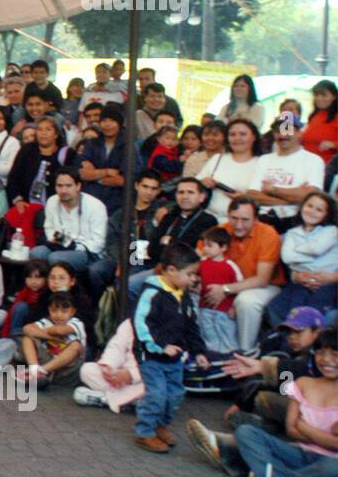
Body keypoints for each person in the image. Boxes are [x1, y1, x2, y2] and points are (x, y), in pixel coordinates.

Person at [230, 328, 338, 477]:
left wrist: (305, 427)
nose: (326, 360)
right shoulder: (303, 383)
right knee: (245, 432)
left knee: (333, 468)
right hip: (299, 453)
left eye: (334, 354)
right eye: (320, 353)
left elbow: (335, 446)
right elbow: (291, 430)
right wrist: (323, 437)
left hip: (329, 464)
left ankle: (267, 474)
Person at [131, 243, 210, 453]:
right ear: (171, 270)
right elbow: (141, 324)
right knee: (156, 394)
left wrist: (199, 351)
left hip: (174, 359)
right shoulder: (151, 293)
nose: (194, 279)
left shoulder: (183, 295)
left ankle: (160, 425)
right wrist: (160, 346)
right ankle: (145, 432)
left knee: (174, 395)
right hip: (152, 356)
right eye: (190, 274)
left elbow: (191, 326)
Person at [201, 197, 283, 350]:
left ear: (256, 219)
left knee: (246, 301)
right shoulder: (222, 230)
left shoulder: (268, 234)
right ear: (228, 215)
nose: (239, 225)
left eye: (245, 220)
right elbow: (200, 255)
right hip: (229, 282)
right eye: (234, 218)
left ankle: (245, 352)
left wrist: (225, 289)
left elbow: (262, 279)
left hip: (265, 286)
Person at [264, 192, 338, 327]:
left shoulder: (331, 231)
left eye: (319, 210)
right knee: (284, 309)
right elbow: (287, 258)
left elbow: (317, 249)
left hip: (328, 283)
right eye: (309, 206)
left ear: (327, 214)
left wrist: (297, 251)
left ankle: (305, 342)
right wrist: (303, 271)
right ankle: (284, 341)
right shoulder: (292, 232)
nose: (312, 212)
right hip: (301, 281)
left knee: (312, 314)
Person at [245, 113, 325, 230]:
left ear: (299, 133)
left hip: (295, 222)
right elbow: (253, 195)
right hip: (262, 220)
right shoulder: (264, 160)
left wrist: (273, 190)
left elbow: (310, 195)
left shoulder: (313, 160)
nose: (283, 135)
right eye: (278, 131)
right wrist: (292, 199)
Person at [29, 168, 107, 275]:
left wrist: (74, 245)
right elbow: (49, 227)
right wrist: (57, 240)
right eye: (59, 186)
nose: (63, 191)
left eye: (68, 186)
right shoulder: (52, 201)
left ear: (78, 186)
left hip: (86, 252)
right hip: (58, 246)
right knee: (36, 253)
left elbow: (98, 243)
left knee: (55, 258)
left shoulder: (95, 206)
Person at [19, 290, 86, 388]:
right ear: (49, 310)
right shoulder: (47, 321)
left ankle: (41, 371)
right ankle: (34, 370)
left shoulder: (76, 323)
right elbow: (27, 329)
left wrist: (44, 331)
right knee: (27, 338)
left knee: (76, 345)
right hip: (46, 362)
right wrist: (53, 338)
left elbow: (59, 331)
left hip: (67, 371)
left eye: (64, 311)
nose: (59, 315)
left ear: (73, 312)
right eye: (54, 310)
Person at [75, 319, 145, 412]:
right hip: (119, 378)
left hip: (144, 378)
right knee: (87, 370)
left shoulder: (165, 326)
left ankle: (105, 399)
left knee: (156, 389)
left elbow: (161, 366)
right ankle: (128, 402)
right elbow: (116, 347)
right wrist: (108, 367)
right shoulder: (130, 323)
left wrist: (131, 375)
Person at [200, 118, 262, 222]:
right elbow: (197, 184)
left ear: (254, 137)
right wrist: (204, 181)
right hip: (209, 220)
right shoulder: (218, 158)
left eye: (243, 134)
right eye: (232, 134)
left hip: (243, 224)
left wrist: (244, 198)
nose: (237, 138)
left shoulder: (262, 163)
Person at [6, 116, 75, 209]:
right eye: (39, 129)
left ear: (56, 134)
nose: (43, 133)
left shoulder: (67, 153)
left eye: (48, 129)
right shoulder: (27, 150)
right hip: (27, 206)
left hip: (57, 208)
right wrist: (18, 200)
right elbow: (13, 178)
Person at [78, 103, 127, 214]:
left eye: (112, 121)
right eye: (104, 121)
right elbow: (83, 174)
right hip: (90, 200)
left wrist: (94, 175)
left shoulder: (128, 147)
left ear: (119, 124)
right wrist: (107, 172)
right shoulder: (92, 144)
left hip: (116, 204)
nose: (107, 125)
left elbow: (122, 180)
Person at [300, 79, 337, 165]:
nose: (319, 98)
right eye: (316, 95)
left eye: (324, 95)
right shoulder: (314, 115)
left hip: (329, 168)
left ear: (334, 96)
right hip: (308, 164)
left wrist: (333, 144)